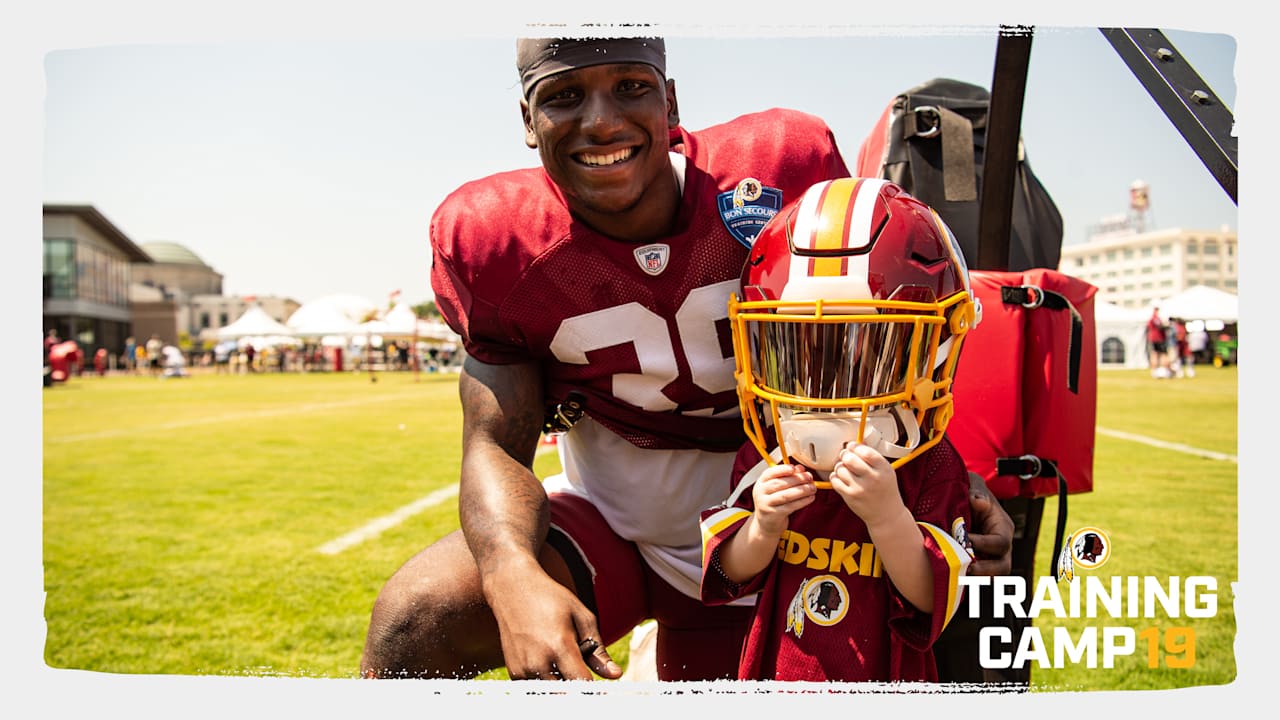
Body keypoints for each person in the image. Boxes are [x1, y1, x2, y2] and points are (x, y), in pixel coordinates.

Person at [360, 36, 1013, 682]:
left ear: (671, 102)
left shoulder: (785, 166)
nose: (602, 121)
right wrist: (512, 576)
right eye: (562, 97)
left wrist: (946, 477)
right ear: (528, 122)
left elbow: (885, 330)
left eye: (631, 87)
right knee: (414, 622)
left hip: (788, 527)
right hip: (616, 525)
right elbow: (498, 444)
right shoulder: (493, 240)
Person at [701, 177, 975, 681]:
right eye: (800, 350)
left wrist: (890, 518)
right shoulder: (769, 452)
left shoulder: (931, 463)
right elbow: (729, 572)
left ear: (935, 350)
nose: (830, 385)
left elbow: (935, 602)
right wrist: (762, 525)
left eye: (865, 353)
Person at [1146, 306, 1169, 378]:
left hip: (1153, 338)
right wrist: (1166, 325)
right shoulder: (1155, 317)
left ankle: (1155, 372)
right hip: (1158, 338)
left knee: (1155, 354)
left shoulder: (1152, 318)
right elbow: (1160, 326)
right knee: (1162, 354)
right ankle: (1162, 371)